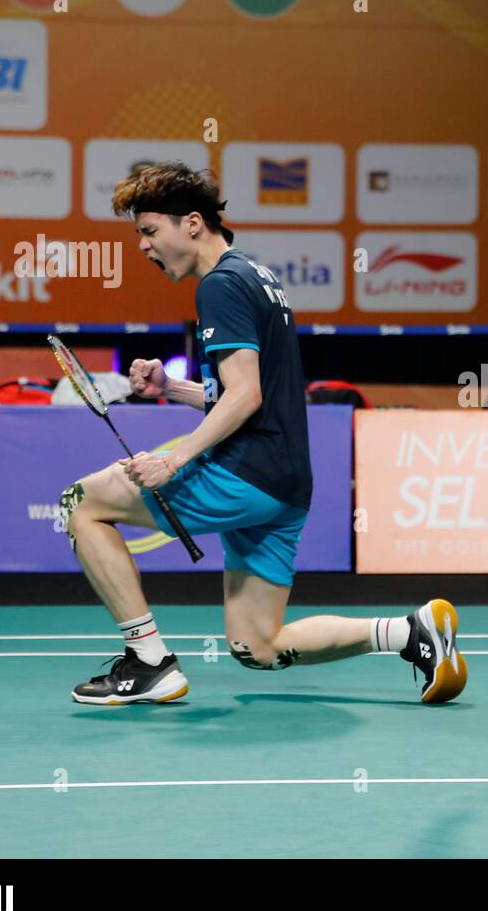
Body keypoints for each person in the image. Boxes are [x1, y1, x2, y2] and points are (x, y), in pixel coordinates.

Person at [59, 162, 466, 706]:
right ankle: (411, 633)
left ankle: (149, 661)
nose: (143, 248)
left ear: (194, 224)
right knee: (259, 645)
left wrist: (173, 461)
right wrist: (170, 387)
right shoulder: (254, 274)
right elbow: (249, 391)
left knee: (81, 503)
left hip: (245, 471)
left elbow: (245, 397)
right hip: (285, 483)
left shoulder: (220, 287)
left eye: (150, 232)